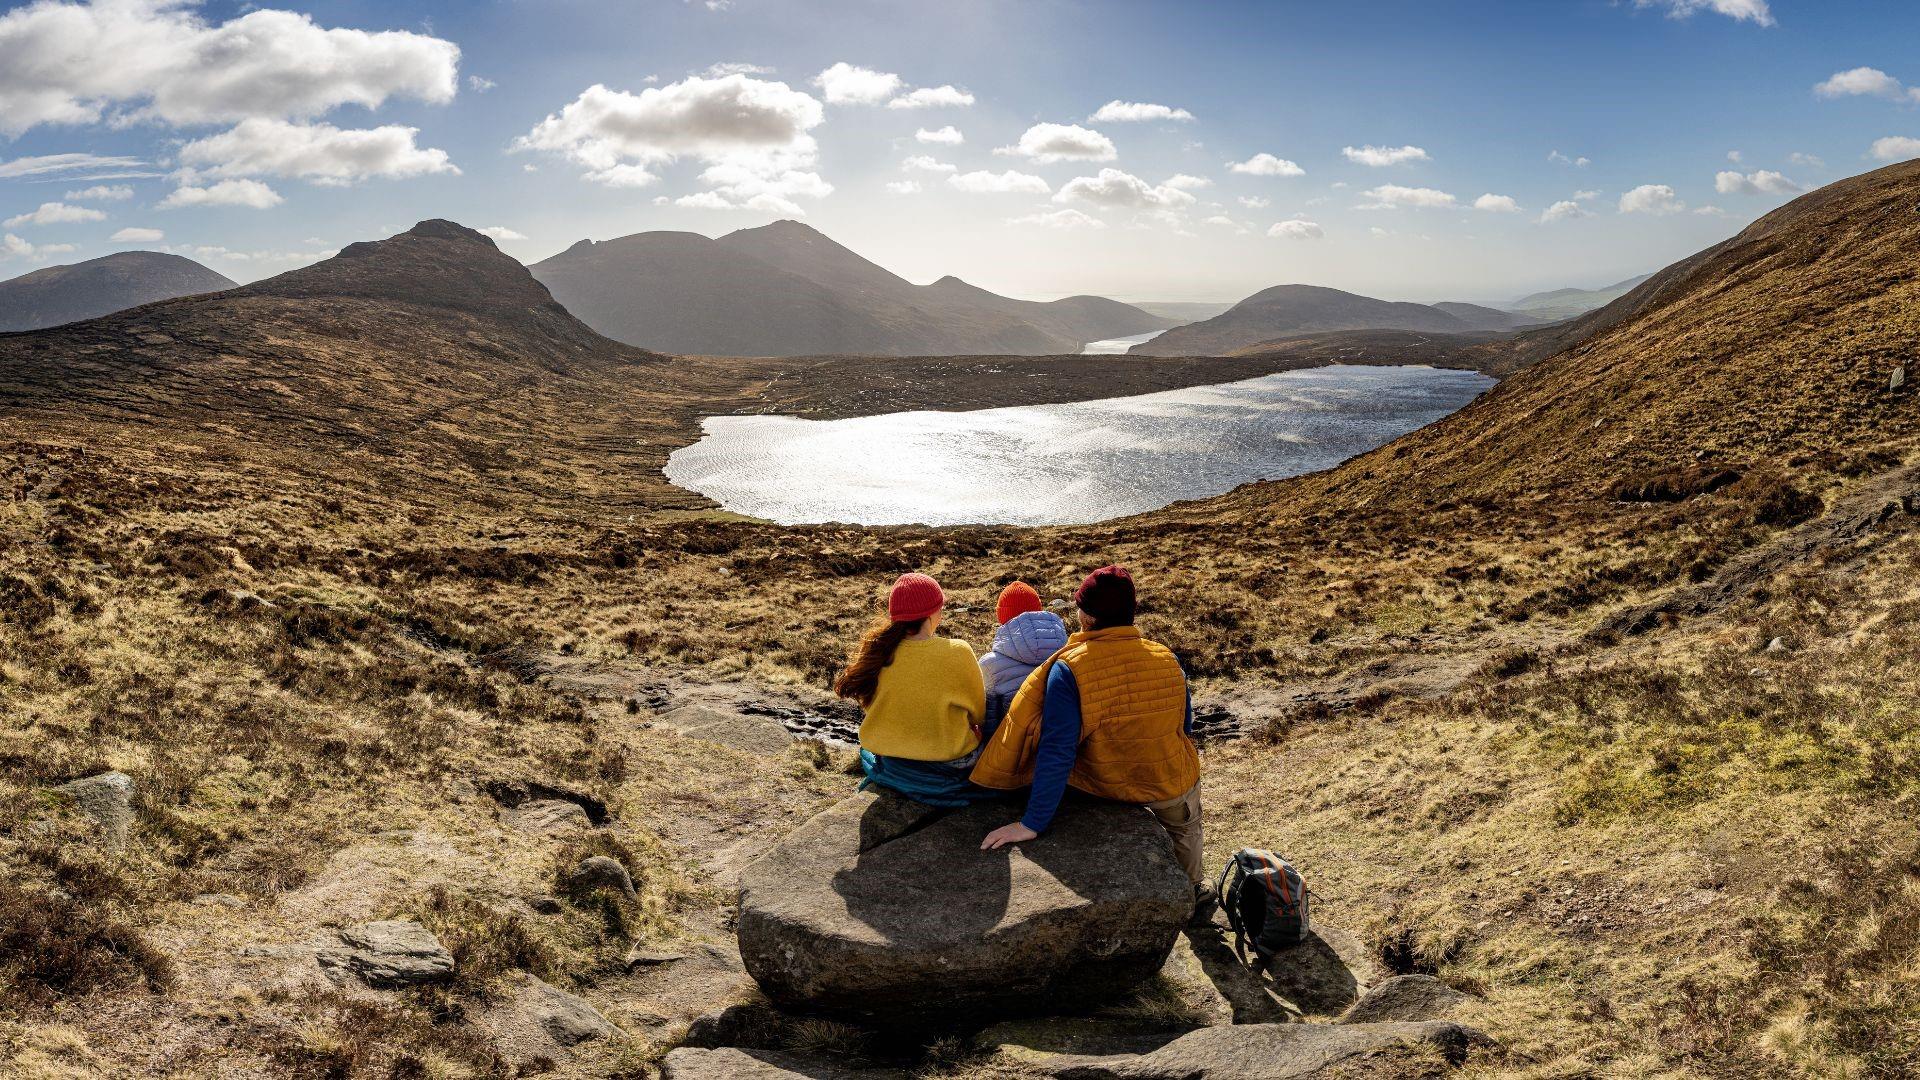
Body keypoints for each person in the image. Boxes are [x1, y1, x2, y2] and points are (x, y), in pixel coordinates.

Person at [970, 566, 1212, 920]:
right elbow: (1184, 725)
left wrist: (1032, 823)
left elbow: (1057, 749)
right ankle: (1192, 894)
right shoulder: (1167, 658)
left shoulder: (1070, 667)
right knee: (1186, 828)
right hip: (1167, 780)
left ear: (1087, 616)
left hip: (1102, 784)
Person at [834, 572, 989, 806]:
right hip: (951, 764)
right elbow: (979, 715)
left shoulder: (880, 652)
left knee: (866, 753)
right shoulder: (958, 651)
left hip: (894, 760)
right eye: (941, 607)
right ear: (931, 613)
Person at [976, 581, 1069, 740]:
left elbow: (989, 723)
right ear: (1038, 611)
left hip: (1012, 747)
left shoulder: (989, 665)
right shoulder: (1068, 651)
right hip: (1061, 744)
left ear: (1001, 617)